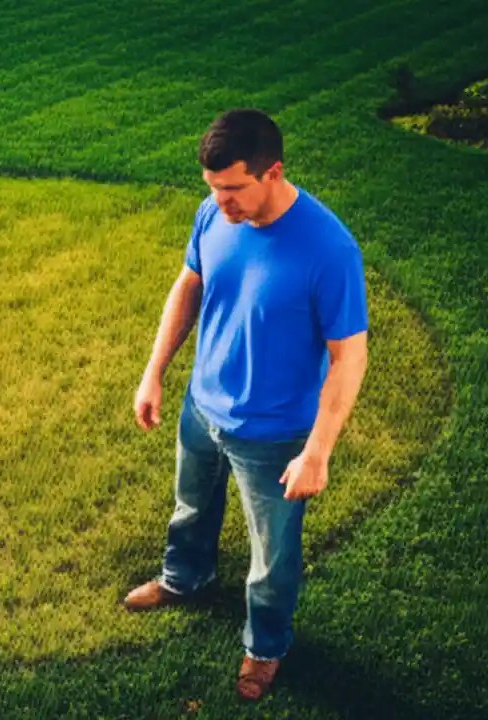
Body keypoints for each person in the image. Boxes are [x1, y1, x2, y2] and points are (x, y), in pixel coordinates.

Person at [124, 108, 369, 702]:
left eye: (233, 189)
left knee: (272, 554)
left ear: (273, 172)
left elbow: (349, 359)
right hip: (202, 405)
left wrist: (318, 451)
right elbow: (190, 284)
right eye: (213, 189)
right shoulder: (214, 212)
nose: (221, 203)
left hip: (274, 435)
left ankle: (265, 646)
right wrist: (154, 372)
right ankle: (185, 580)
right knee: (190, 507)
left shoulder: (328, 250)